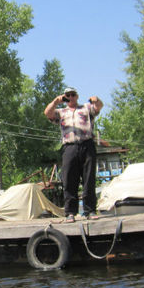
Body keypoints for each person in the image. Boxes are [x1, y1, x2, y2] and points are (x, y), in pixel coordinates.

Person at [44, 87, 104, 221]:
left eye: (73, 95)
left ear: (77, 96)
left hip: (86, 144)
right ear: (65, 98)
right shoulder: (61, 112)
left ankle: (90, 211)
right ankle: (70, 212)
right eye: (67, 95)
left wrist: (96, 99)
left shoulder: (86, 108)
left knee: (89, 179)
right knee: (69, 179)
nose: (70, 97)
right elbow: (47, 113)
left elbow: (99, 106)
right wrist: (55, 102)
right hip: (69, 146)